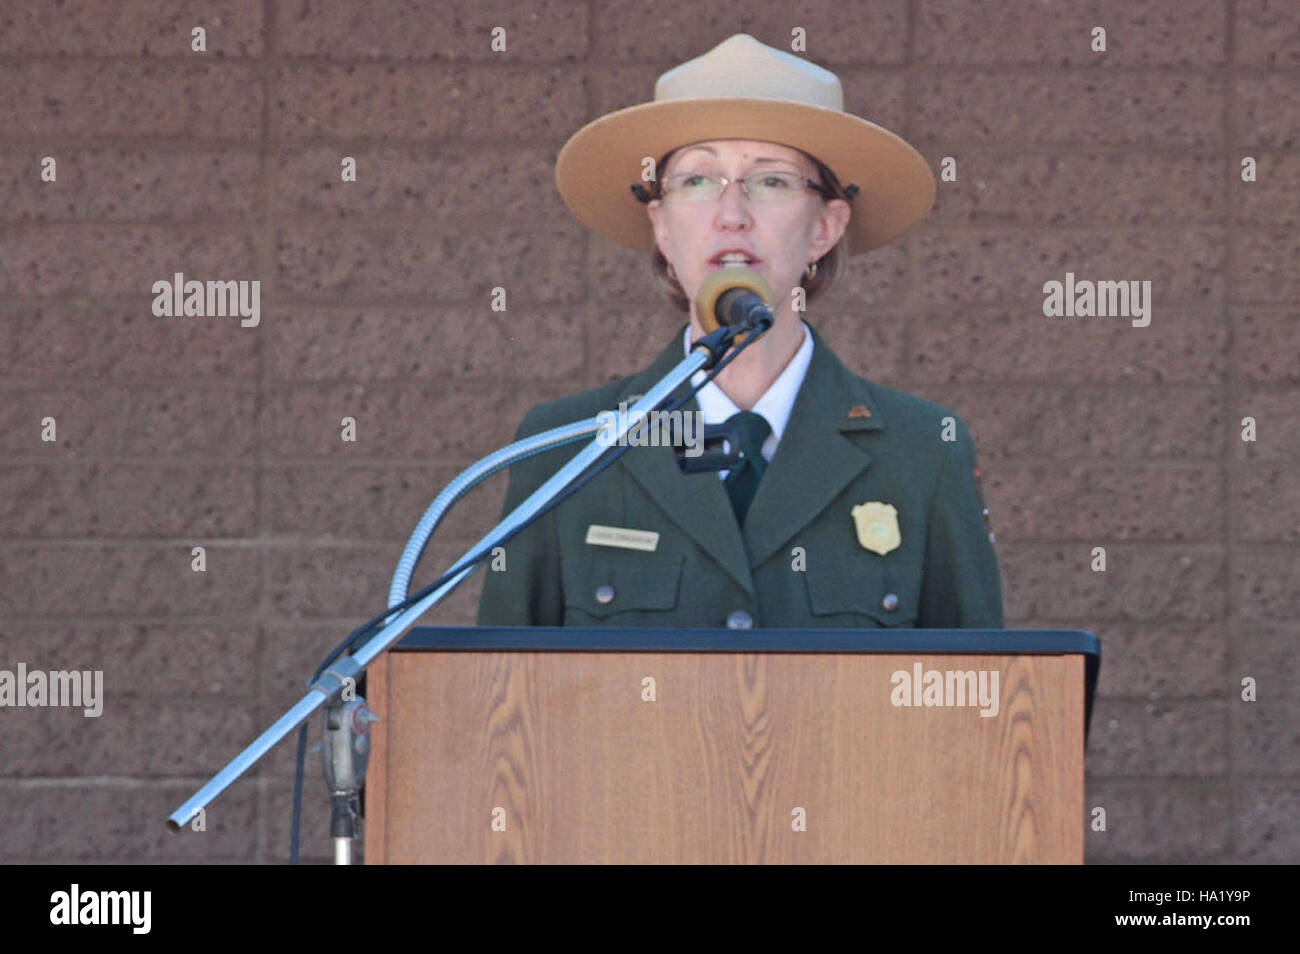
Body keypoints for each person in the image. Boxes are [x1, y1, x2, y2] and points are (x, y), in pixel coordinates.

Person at [476, 34, 1002, 630]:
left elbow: (977, 697)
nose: (732, 214)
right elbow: (501, 703)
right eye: (698, 179)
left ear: (825, 227)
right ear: (663, 229)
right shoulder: (569, 448)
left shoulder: (922, 452)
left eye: (771, 180)